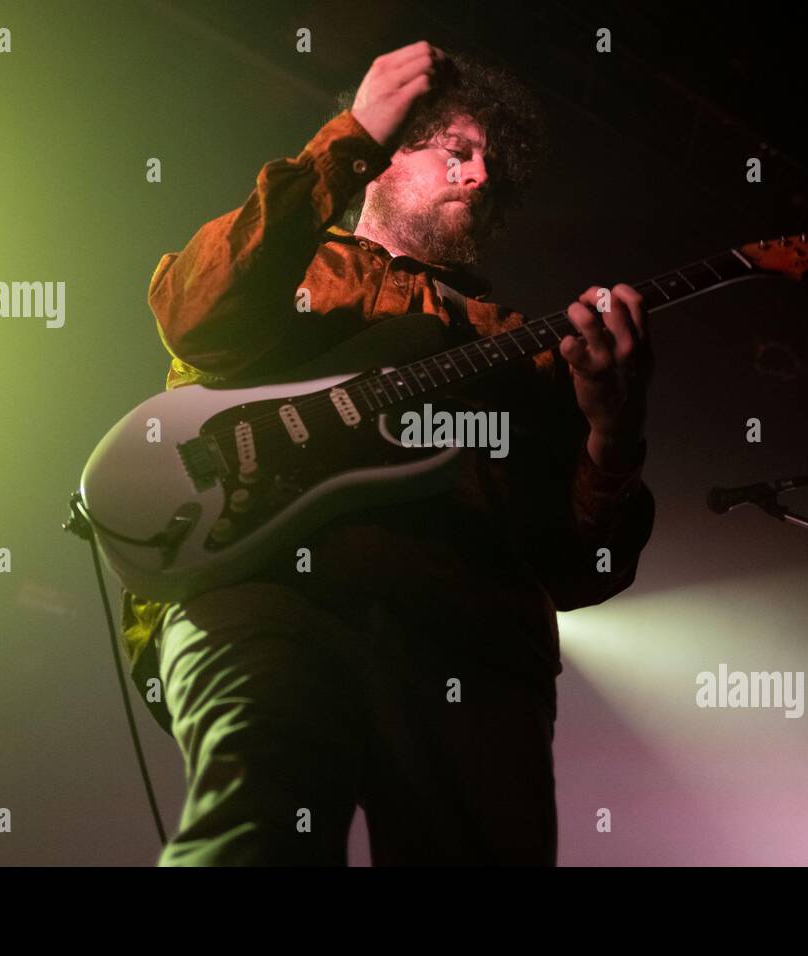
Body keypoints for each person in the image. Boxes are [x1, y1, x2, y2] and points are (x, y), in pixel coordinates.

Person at [120, 41, 657, 865]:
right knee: (258, 827)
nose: (479, 176)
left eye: (490, 167)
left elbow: (583, 570)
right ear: (389, 154)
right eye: (458, 151)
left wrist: (613, 438)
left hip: (470, 635)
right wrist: (351, 134)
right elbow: (194, 312)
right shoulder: (297, 262)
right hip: (266, 593)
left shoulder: (526, 348)